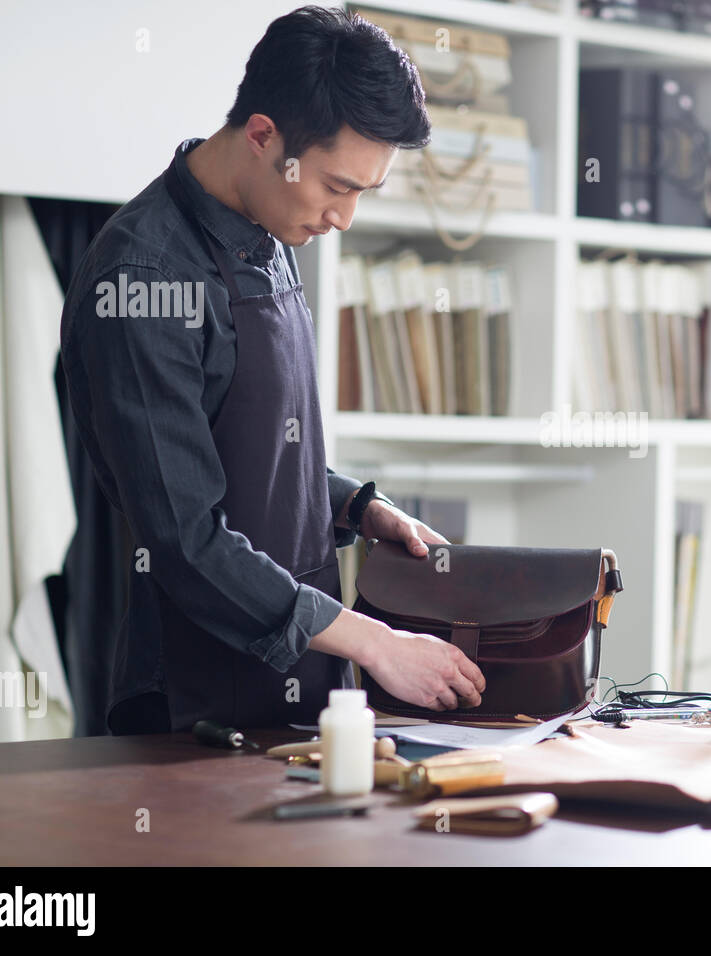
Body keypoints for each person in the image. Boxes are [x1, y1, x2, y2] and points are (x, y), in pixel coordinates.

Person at [59, 5, 485, 734]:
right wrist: (376, 643)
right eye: (336, 186)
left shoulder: (270, 225)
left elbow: (251, 448)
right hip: (193, 700)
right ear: (263, 136)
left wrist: (354, 507)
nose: (344, 217)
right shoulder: (142, 276)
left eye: (363, 193)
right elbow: (188, 537)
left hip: (299, 675)